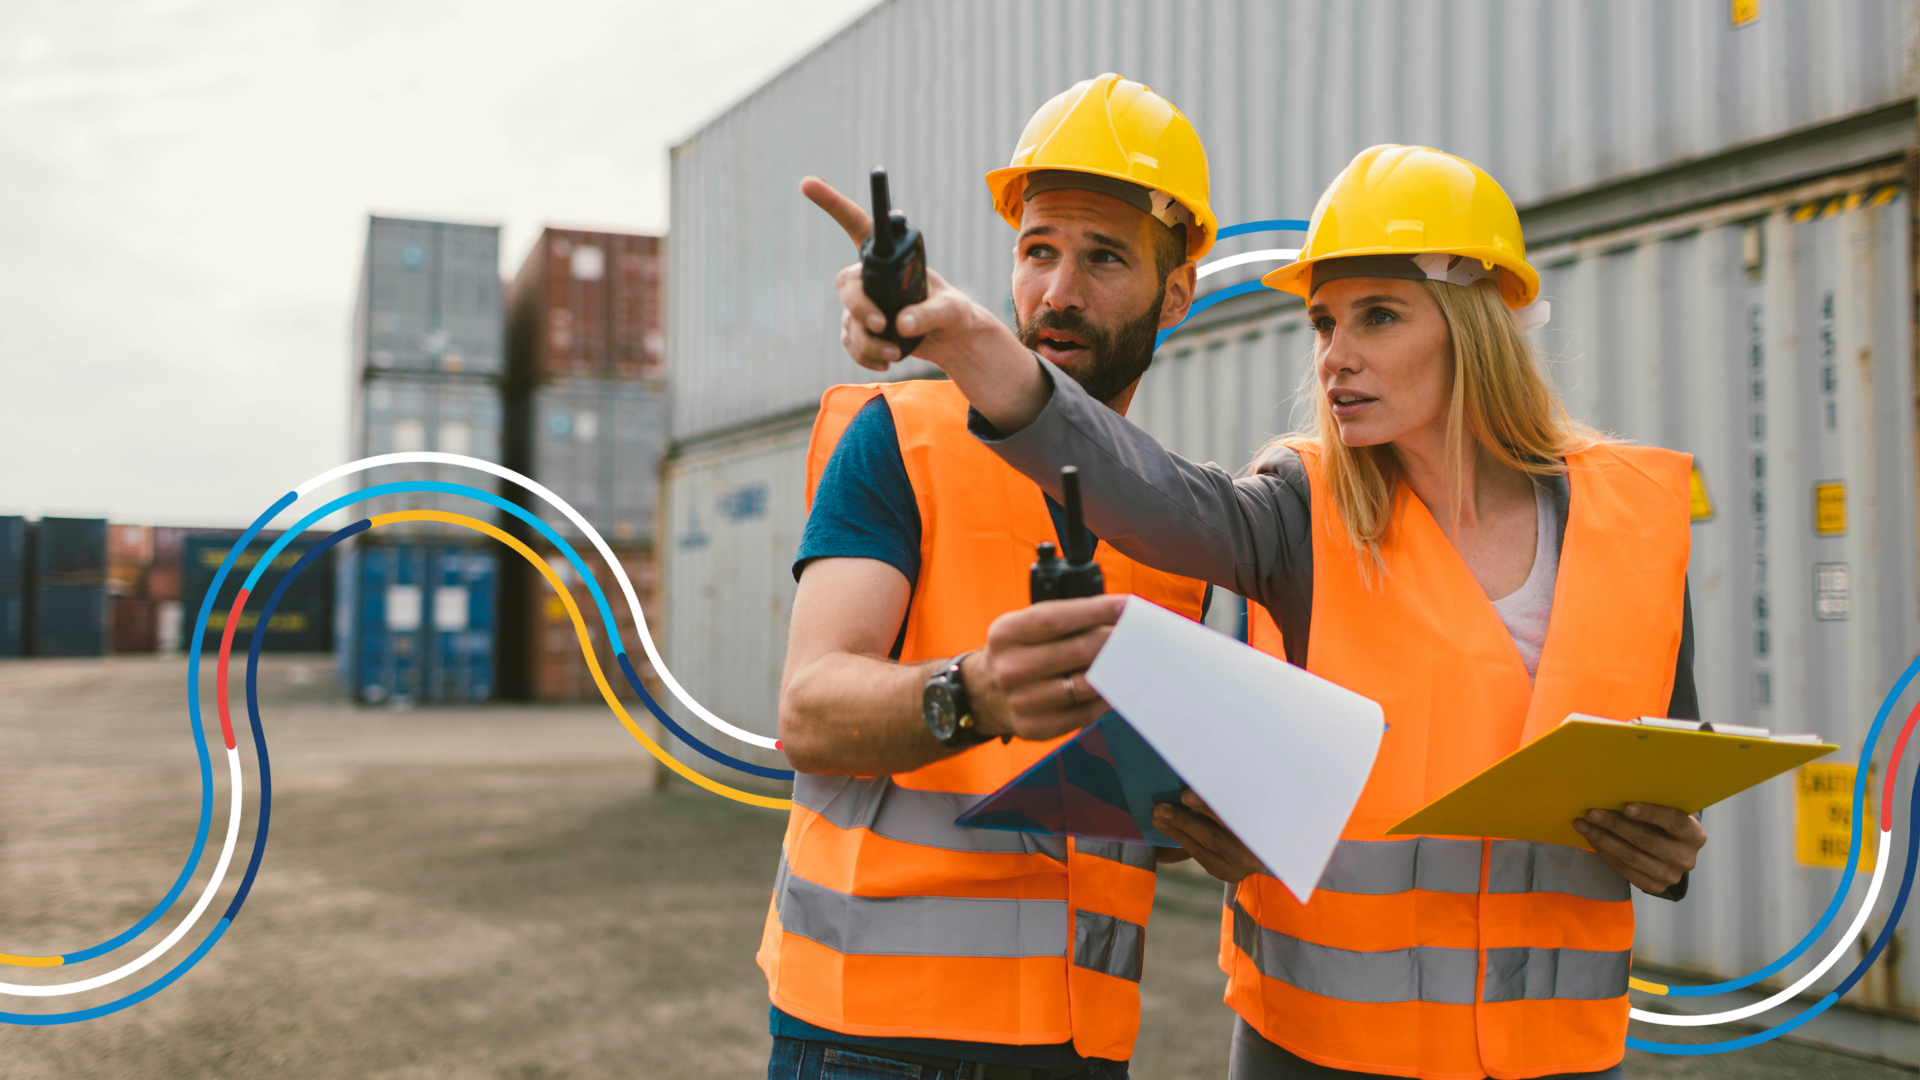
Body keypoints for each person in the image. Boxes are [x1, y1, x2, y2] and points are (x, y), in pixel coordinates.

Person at [828, 143, 1709, 1080]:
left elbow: (1668, 769)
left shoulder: (1628, 517)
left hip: (1557, 1057)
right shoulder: (1300, 509)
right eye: (1324, 323)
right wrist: (968, 340)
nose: (1336, 357)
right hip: (1323, 1050)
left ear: (1474, 326)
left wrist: (1671, 848)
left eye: (1377, 317)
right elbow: (1143, 489)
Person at [761, 73, 1223, 1080]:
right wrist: (972, 694)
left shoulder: (1176, 528)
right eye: (1037, 251)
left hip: (1076, 1045)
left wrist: (1206, 813)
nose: (1058, 292)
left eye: (1103, 258)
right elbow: (808, 710)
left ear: (1174, 294)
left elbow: (1142, 813)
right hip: (870, 1040)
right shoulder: (903, 440)